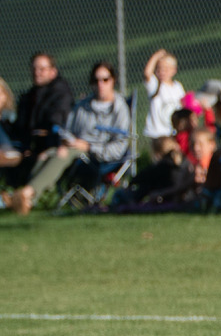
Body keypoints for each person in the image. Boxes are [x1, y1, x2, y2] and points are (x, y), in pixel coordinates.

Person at [0, 61, 129, 215]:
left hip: (98, 155)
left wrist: (88, 146)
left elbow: (119, 145)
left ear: (113, 80)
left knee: (62, 155)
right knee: (45, 155)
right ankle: (24, 200)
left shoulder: (119, 108)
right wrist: (66, 142)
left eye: (105, 79)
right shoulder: (83, 105)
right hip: (73, 148)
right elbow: (67, 130)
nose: (100, 84)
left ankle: (25, 195)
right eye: (96, 80)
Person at [8, 52, 75, 185]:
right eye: (34, 69)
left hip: (50, 146)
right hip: (26, 145)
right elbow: (21, 126)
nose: (37, 72)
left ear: (53, 71)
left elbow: (54, 125)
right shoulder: (30, 95)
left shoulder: (60, 94)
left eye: (42, 69)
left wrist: (31, 144)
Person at [142, 49, 186, 152]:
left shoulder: (177, 87)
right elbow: (147, 73)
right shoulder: (155, 85)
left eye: (166, 69)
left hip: (173, 133)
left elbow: (183, 105)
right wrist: (156, 56)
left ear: (174, 70)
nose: (161, 72)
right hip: (158, 134)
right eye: (159, 68)